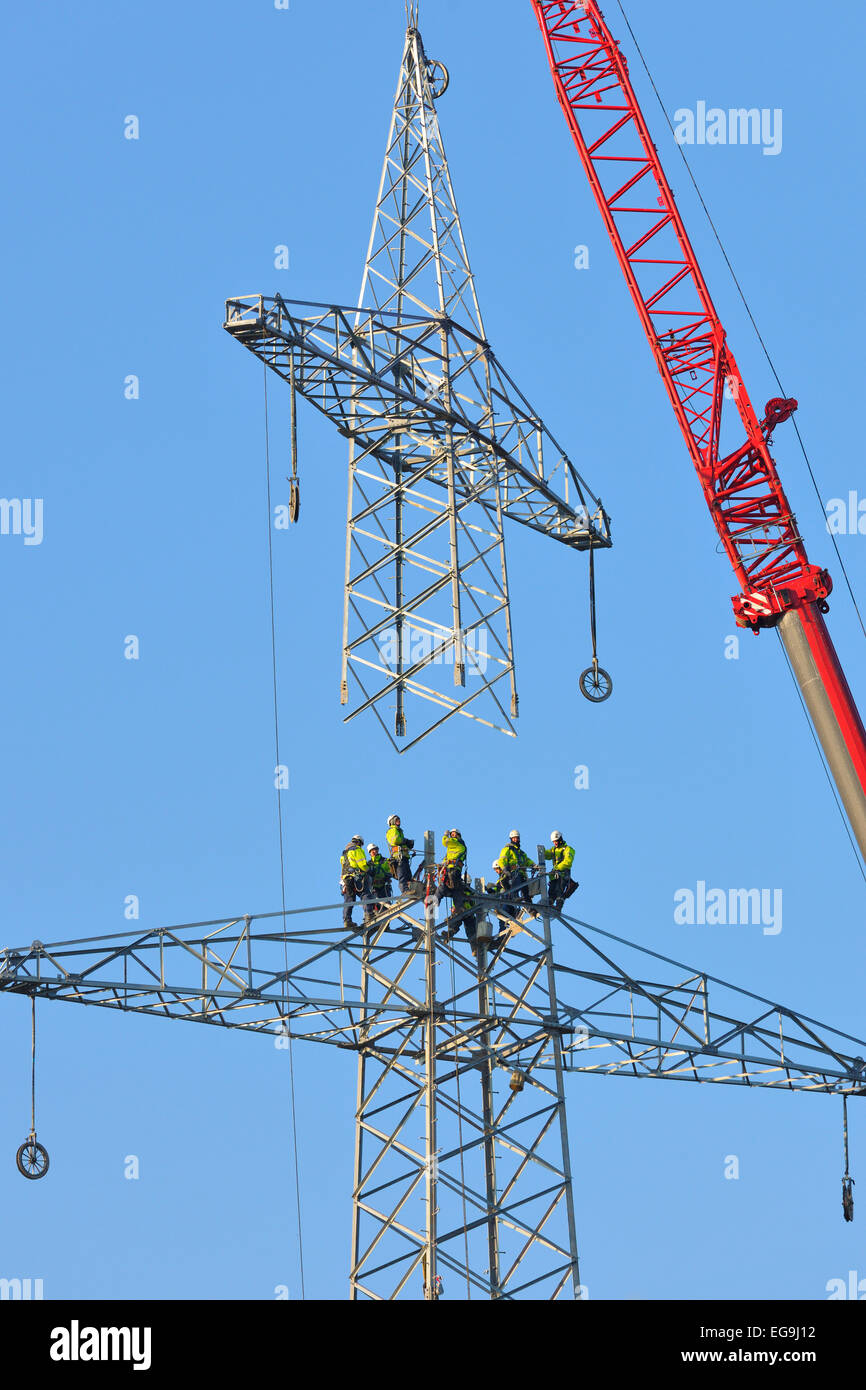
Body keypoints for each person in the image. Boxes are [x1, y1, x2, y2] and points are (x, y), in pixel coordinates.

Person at [498, 830, 537, 913]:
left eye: (517, 838)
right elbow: (502, 860)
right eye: (514, 838)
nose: (516, 839)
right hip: (512, 873)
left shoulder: (521, 853)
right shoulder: (507, 849)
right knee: (517, 881)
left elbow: (527, 861)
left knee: (526, 891)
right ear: (511, 839)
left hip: (521, 874)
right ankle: (514, 896)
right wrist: (505, 869)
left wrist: (534, 865)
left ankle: (530, 908)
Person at [437, 828, 468, 914]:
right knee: (456, 889)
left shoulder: (457, 842)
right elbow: (447, 858)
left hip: (452, 869)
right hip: (453, 869)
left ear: (458, 835)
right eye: (451, 834)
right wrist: (442, 865)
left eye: (453, 834)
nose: (452, 835)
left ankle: (435, 900)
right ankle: (459, 907)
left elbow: (445, 842)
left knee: (444, 886)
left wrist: (445, 835)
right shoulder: (454, 846)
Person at [340, 835, 369, 928]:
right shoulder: (357, 850)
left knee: (349, 899)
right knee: (365, 894)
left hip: (345, 879)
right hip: (354, 877)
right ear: (359, 842)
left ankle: (347, 920)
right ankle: (369, 914)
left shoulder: (344, 853)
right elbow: (362, 864)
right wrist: (368, 870)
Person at [545, 831, 578, 910]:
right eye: (553, 842)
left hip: (563, 874)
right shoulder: (554, 850)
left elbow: (568, 862)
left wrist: (557, 868)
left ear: (560, 839)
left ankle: (558, 906)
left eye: (556, 841)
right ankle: (549, 903)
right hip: (554, 875)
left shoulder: (568, 849)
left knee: (559, 890)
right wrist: (542, 851)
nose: (555, 843)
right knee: (551, 891)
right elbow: (547, 855)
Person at [386, 815, 415, 892]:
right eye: (396, 820)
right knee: (402, 875)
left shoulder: (399, 831)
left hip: (404, 856)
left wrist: (408, 845)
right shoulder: (392, 830)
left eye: (399, 819)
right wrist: (406, 841)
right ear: (392, 822)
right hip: (398, 857)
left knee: (408, 875)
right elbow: (395, 840)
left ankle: (410, 889)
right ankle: (405, 890)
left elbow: (400, 842)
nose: (399, 821)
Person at [366, 843, 393, 923]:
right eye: (372, 850)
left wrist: (387, 876)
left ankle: (385, 922)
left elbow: (391, 871)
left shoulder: (385, 861)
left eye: (375, 849)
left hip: (384, 886)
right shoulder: (369, 864)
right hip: (374, 888)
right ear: (370, 853)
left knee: (385, 904)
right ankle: (377, 921)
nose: (374, 851)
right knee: (376, 905)